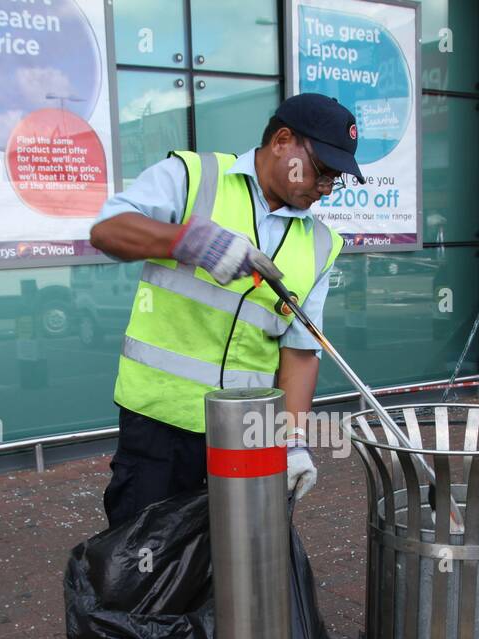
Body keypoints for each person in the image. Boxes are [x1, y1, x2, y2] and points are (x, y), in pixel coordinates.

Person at [91, 93, 364, 527]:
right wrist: (192, 242)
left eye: (336, 179)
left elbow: (299, 352)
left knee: (240, 566)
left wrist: (292, 440)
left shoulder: (321, 244)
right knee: (143, 562)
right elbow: (108, 231)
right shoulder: (194, 177)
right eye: (322, 170)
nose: (326, 186)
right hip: (161, 424)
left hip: (248, 433)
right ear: (282, 140)